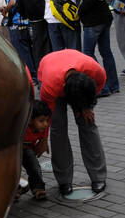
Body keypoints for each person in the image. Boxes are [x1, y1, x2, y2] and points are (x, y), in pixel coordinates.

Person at [36, 49, 106, 196]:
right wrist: (42, 138)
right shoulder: (50, 87)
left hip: (75, 72)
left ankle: (98, 176)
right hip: (50, 69)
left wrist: (86, 107)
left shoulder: (96, 71)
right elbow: (45, 118)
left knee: (88, 123)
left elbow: (98, 86)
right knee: (58, 129)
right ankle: (64, 180)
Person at [77, 0, 119, 97]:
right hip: (105, 16)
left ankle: (103, 87)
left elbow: (88, 0)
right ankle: (114, 85)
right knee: (106, 52)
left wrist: (79, 11)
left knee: (88, 54)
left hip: (92, 20)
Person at [0, 0, 34, 78]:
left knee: (22, 52)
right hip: (25, 22)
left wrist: (5, 11)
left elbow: (12, 3)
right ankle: (35, 73)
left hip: (17, 24)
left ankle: (31, 76)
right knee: (28, 50)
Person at [20, 101, 52, 201]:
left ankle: (38, 188)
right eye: (41, 121)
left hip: (27, 150)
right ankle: (15, 190)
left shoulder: (40, 130)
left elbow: (42, 139)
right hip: (12, 152)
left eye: (47, 120)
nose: (45, 124)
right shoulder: (22, 128)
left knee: (35, 168)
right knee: (13, 171)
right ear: (30, 120)